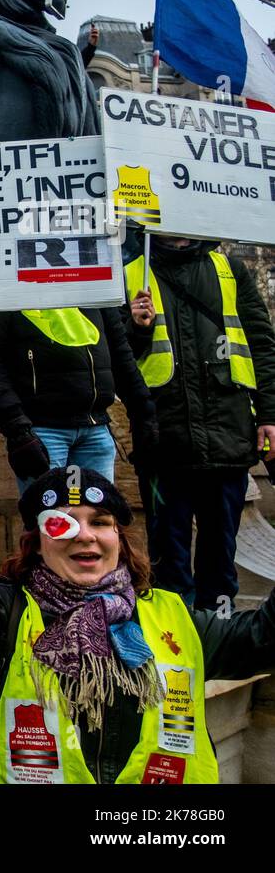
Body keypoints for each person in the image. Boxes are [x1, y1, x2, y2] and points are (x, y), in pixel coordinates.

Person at [0, 445, 275, 783]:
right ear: (38, 543)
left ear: (119, 538)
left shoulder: (171, 616)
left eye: (101, 521)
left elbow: (266, 638)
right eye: (64, 524)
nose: (86, 535)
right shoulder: (2, 613)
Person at [124, 236, 275, 611]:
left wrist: (270, 415)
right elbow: (113, 357)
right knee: (168, 560)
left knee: (220, 555)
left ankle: (220, 636)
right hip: (164, 441)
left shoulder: (230, 270)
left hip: (227, 435)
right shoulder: (130, 272)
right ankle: (178, 645)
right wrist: (137, 327)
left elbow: (261, 345)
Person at [0, 304, 157, 491]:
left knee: (97, 518)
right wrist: (16, 429)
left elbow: (120, 351)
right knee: (51, 520)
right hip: (42, 431)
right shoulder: (1, 281)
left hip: (96, 428)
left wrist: (143, 413)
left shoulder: (94, 280)